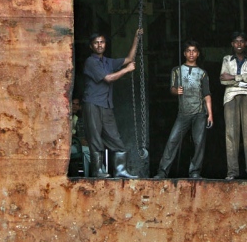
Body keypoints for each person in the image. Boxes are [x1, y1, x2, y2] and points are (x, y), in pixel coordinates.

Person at [83, 28, 143, 179]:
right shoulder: (91, 62)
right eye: (96, 43)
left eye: (102, 42)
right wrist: (127, 71)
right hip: (93, 103)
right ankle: (98, 171)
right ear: (91, 46)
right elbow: (108, 79)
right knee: (95, 138)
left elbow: (129, 59)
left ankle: (120, 170)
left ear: (105, 44)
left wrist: (136, 37)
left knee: (115, 138)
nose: (99, 45)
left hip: (107, 105)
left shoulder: (108, 62)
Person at [154, 41, 213, 179]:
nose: (191, 53)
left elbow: (207, 94)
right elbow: (172, 89)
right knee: (172, 140)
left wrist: (210, 114)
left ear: (198, 54)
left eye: (194, 51)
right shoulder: (177, 70)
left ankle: (195, 172)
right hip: (183, 113)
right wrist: (176, 91)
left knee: (199, 143)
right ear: (184, 53)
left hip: (199, 112)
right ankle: (162, 171)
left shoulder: (202, 73)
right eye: (188, 51)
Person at [220, 31, 247, 180]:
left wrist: (234, 77)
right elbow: (223, 81)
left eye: (242, 41)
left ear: (246, 44)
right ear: (232, 44)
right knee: (231, 134)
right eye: (236, 41)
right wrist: (244, 80)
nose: (239, 44)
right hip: (230, 96)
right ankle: (232, 172)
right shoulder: (226, 59)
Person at [70, 97, 90, 177]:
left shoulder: (76, 118)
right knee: (87, 150)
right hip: (62, 148)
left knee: (86, 150)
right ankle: (100, 172)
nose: (74, 106)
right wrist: (78, 140)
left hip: (73, 145)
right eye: (73, 104)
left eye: (77, 104)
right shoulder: (64, 117)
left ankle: (87, 176)